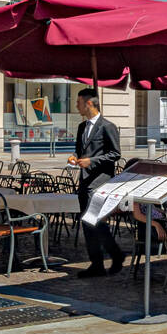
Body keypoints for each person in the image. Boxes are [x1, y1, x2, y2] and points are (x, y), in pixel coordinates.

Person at [69, 88, 123, 277]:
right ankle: (97, 263)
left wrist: (92, 161)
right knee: (88, 222)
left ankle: (115, 255)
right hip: (84, 181)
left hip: (100, 182)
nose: (77, 106)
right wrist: (74, 157)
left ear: (89, 103)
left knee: (94, 221)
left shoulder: (108, 126)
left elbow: (115, 154)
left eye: (78, 103)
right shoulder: (81, 127)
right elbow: (79, 150)